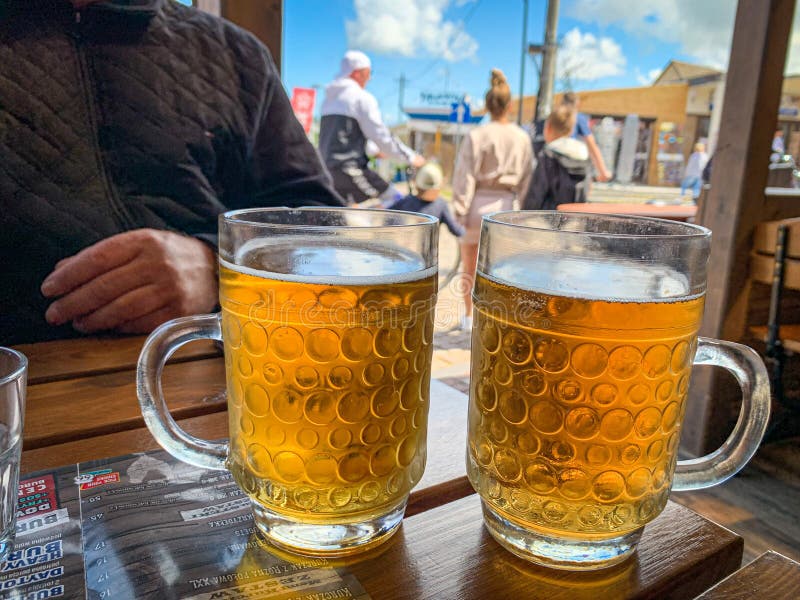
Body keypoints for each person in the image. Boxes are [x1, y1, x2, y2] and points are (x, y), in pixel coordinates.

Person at [0, 0, 343, 345]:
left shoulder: (236, 53)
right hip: (25, 382)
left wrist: (218, 267)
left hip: (226, 371)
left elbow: (320, 220)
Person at [452, 69, 534, 331]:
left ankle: (468, 317)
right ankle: (497, 320)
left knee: (469, 267)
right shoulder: (522, 137)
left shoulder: (477, 135)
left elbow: (464, 176)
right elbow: (527, 179)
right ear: (510, 106)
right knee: (503, 271)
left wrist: (461, 210)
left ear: (486, 106)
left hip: (478, 205)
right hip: (508, 209)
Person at [319, 50, 425, 205]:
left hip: (327, 172)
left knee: (344, 214)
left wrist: (375, 151)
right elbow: (382, 136)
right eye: (368, 73)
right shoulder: (361, 98)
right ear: (357, 73)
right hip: (350, 170)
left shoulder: (328, 101)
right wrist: (411, 158)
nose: (369, 78)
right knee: (395, 199)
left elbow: (343, 139)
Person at [523, 103, 591, 210]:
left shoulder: (548, 155)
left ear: (548, 127)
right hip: (575, 218)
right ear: (571, 130)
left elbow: (536, 193)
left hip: (548, 220)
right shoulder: (583, 154)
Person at [384, 164, 464, 238]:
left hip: (406, 248)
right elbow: (456, 231)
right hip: (428, 250)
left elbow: (387, 217)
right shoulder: (441, 205)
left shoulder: (407, 201)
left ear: (417, 185)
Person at [561, 92, 612, 182]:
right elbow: (592, 145)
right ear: (576, 104)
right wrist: (603, 171)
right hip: (571, 163)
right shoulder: (577, 118)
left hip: (552, 162)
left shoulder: (553, 117)